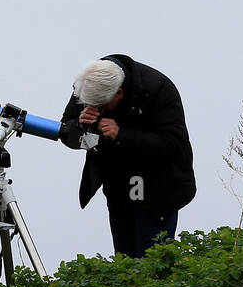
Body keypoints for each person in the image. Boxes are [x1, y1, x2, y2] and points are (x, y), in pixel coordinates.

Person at [58, 55, 196, 258]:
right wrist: (79, 125)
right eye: (90, 105)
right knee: (124, 259)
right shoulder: (89, 84)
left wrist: (121, 135)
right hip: (117, 182)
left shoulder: (158, 88)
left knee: (151, 261)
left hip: (159, 186)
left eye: (101, 107)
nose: (96, 110)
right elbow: (65, 131)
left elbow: (173, 144)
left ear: (119, 93)